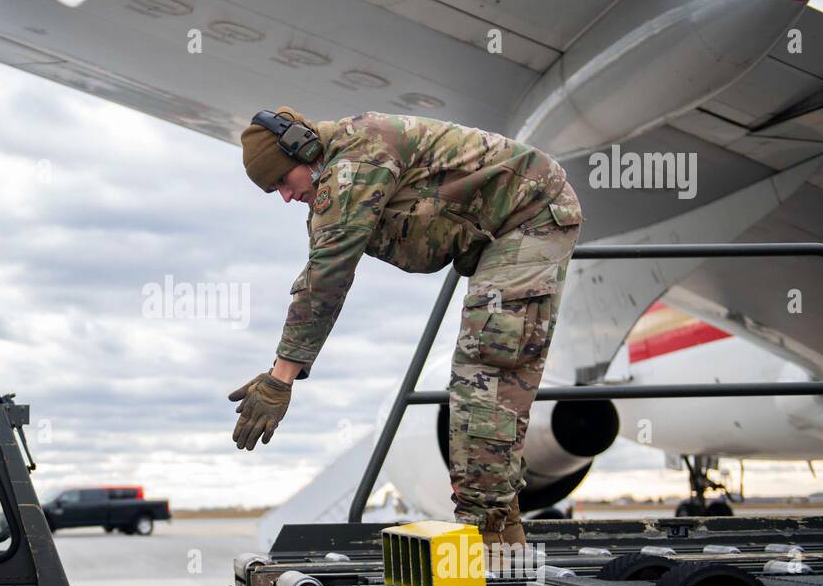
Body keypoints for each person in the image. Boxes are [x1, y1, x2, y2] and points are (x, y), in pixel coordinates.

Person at [229, 108, 583, 550]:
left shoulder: (358, 161)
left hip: (531, 216)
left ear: (302, 149)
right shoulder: (339, 175)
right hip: (503, 231)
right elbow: (323, 265)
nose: (284, 196)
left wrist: (280, 380)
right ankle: (500, 533)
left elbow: (327, 278)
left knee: (486, 373)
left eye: (283, 181)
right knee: (478, 381)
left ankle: (491, 543)